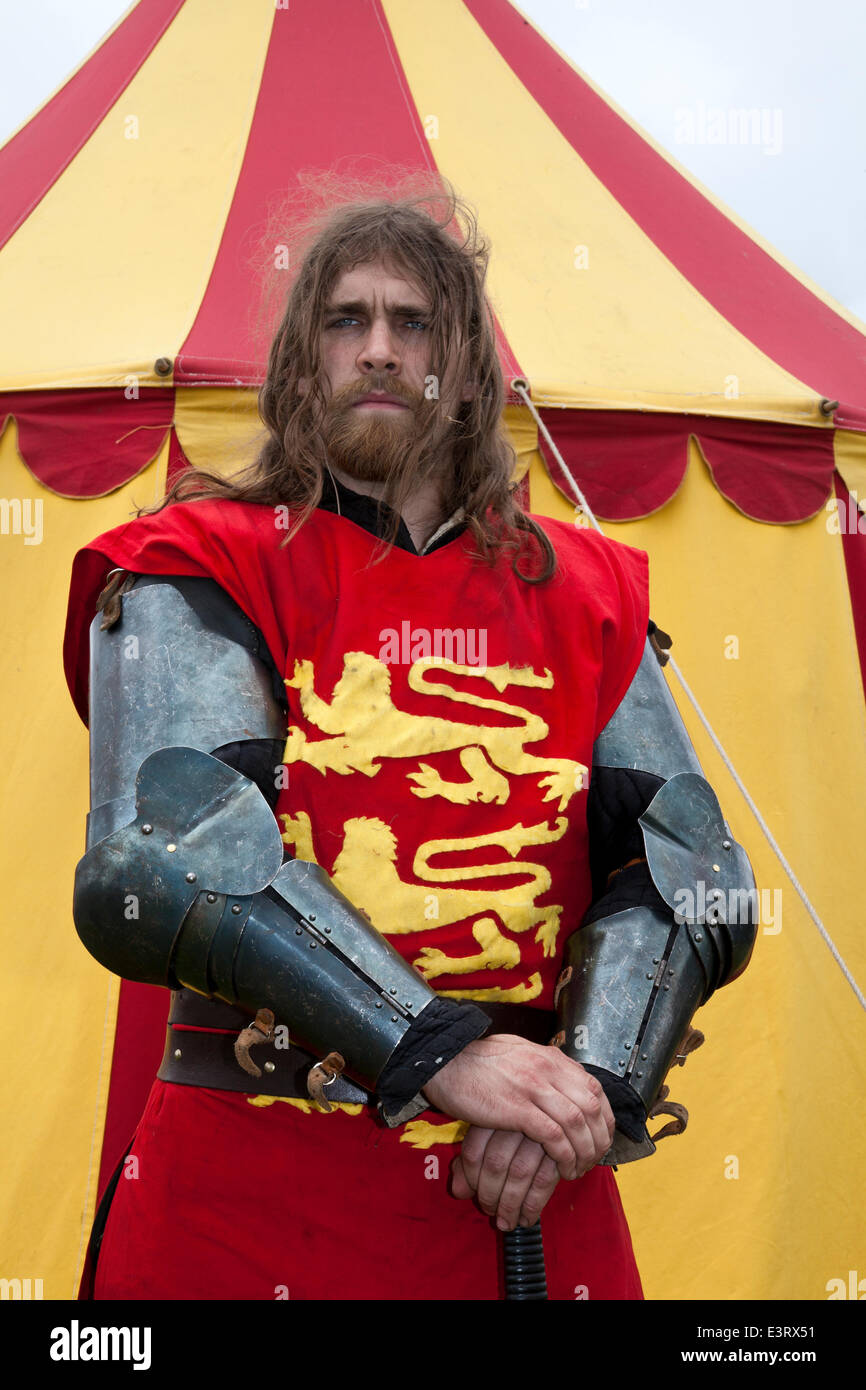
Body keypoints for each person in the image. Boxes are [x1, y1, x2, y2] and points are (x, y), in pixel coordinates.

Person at [64, 183, 754, 1301]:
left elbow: (697, 876)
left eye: (411, 323)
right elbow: (163, 862)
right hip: (256, 1184)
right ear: (301, 365)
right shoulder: (198, 562)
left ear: (466, 370)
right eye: (345, 321)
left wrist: (578, 1091)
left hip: (520, 1193)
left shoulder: (585, 591)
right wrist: (445, 1053)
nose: (377, 349)